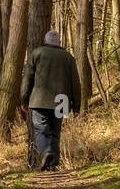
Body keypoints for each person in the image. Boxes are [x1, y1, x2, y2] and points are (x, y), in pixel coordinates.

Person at [19, 30, 81, 170]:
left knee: (41, 130)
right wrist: (76, 106)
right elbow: (75, 83)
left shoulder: (36, 53)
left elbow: (27, 78)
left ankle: (45, 152)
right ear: (59, 42)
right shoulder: (68, 57)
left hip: (39, 100)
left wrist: (24, 99)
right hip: (62, 100)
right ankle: (52, 166)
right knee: (55, 132)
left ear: (45, 40)